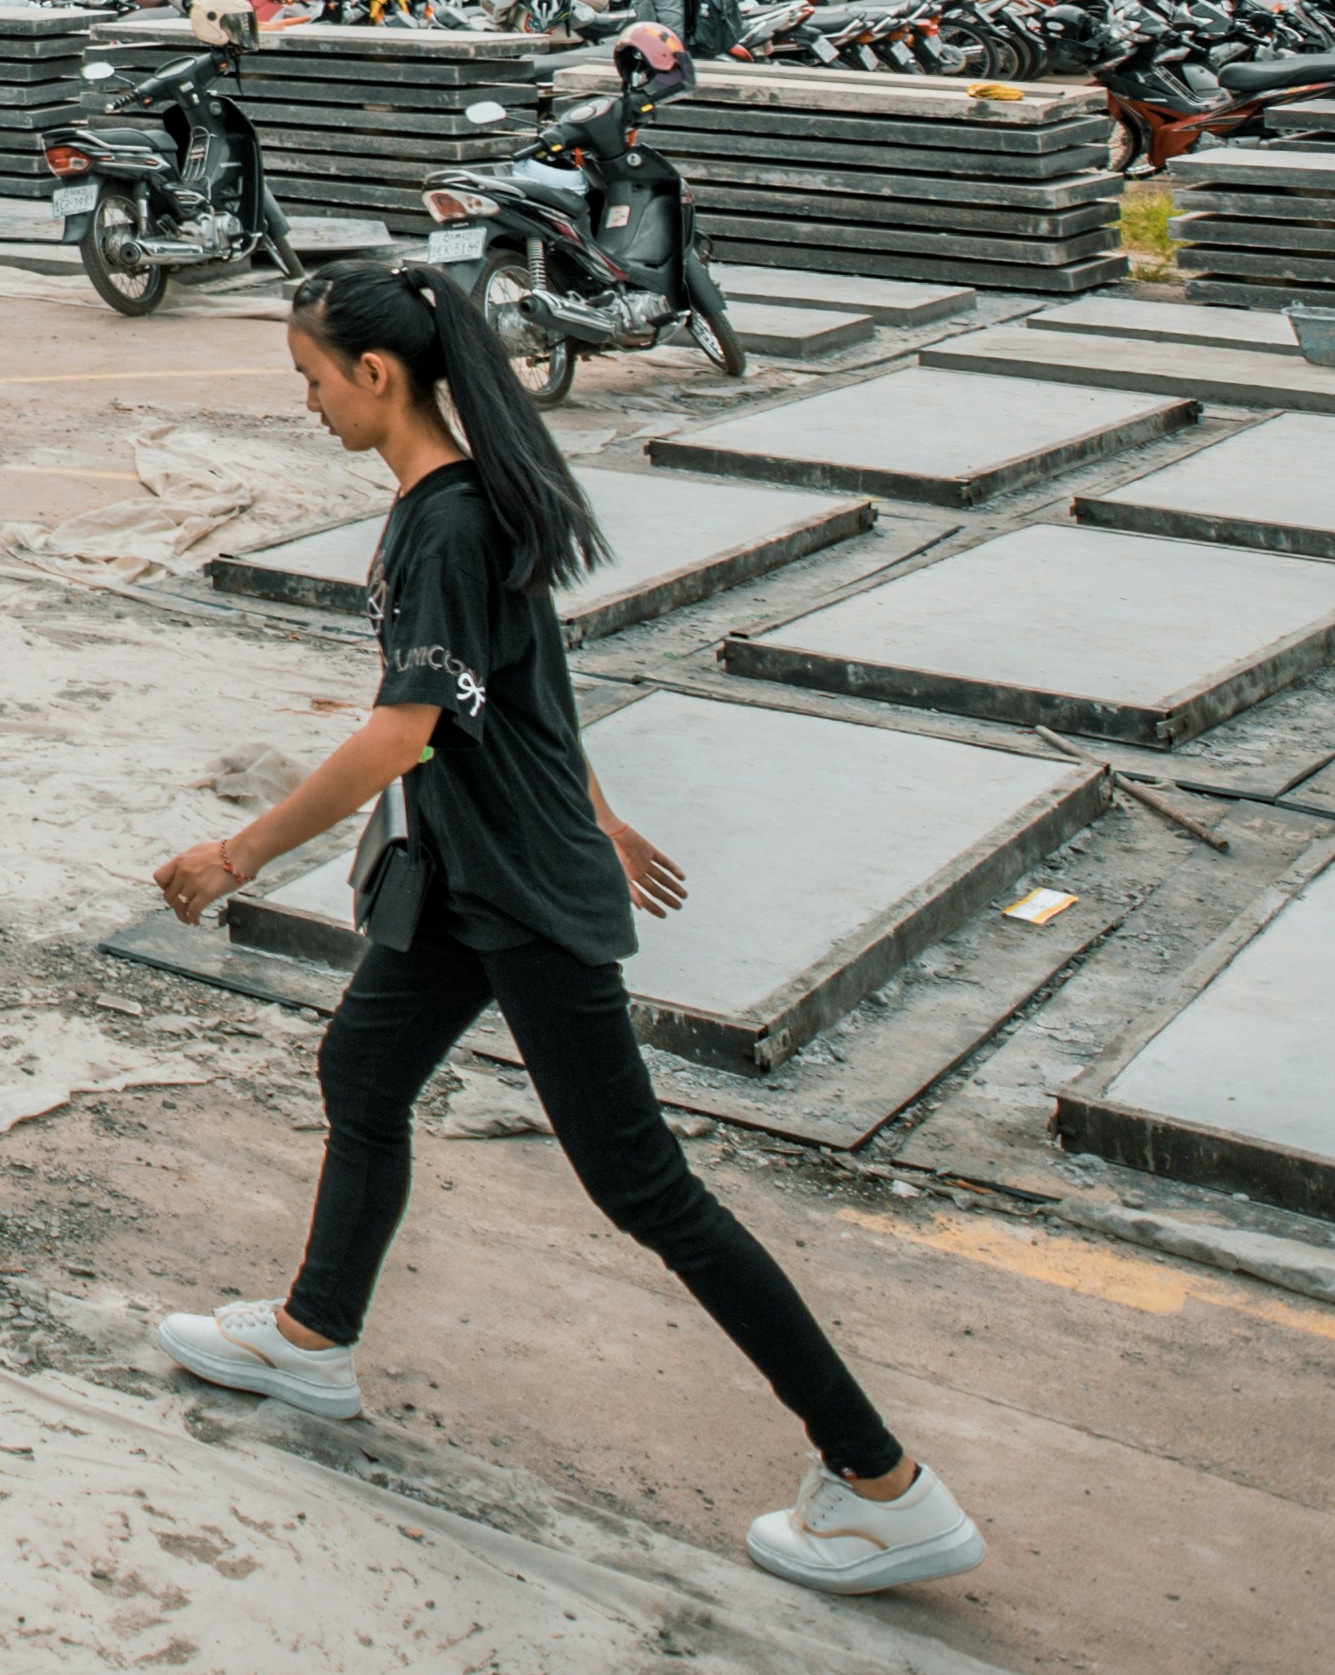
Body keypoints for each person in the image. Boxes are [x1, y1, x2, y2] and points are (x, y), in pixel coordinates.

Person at [154, 264, 986, 1599]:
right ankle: (313, 1336)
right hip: (473, 878)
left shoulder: (448, 525)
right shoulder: (466, 505)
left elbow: (402, 728)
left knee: (643, 1186)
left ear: (377, 377)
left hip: (517, 894)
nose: (304, 403)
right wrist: (589, 803)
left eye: (310, 379)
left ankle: (883, 1483)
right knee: (364, 1074)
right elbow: (530, 679)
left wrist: (235, 852)